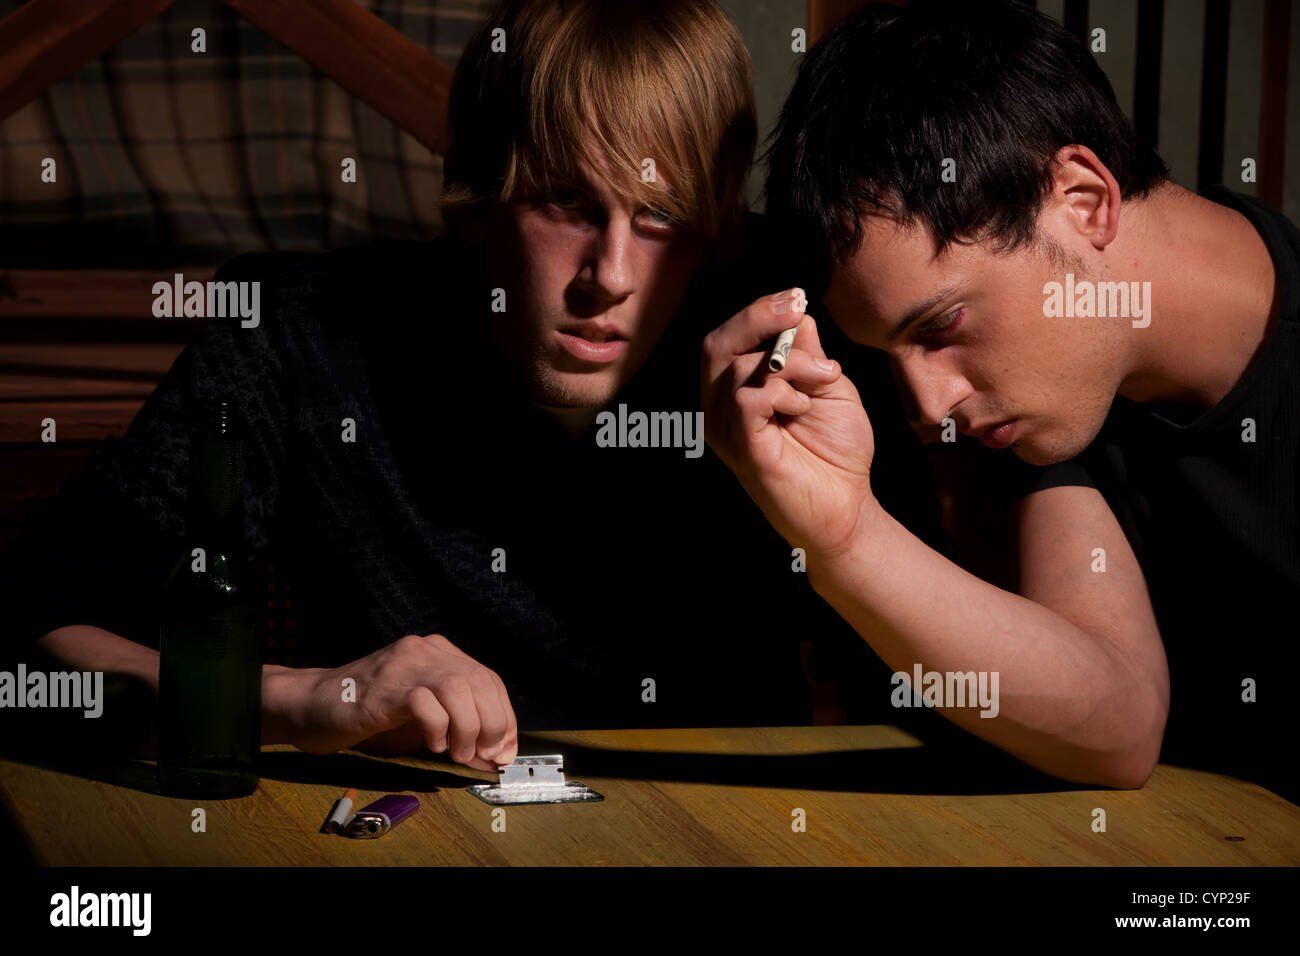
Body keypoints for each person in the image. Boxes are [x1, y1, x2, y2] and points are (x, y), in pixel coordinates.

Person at [0, 0, 942, 771]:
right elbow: (28, 650)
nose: (609, 275)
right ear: (482, 193)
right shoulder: (302, 334)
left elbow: (942, 702)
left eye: (659, 216)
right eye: (567, 202)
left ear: (716, 224)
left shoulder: (793, 338)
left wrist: (843, 532)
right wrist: (312, 696)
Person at [704, 0, 1297, 799]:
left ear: (1084, 202)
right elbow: (1117, 729)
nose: (929, 406)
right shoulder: (1058, 407)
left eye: (943, 325)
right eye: (891, 356)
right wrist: (843, 535)